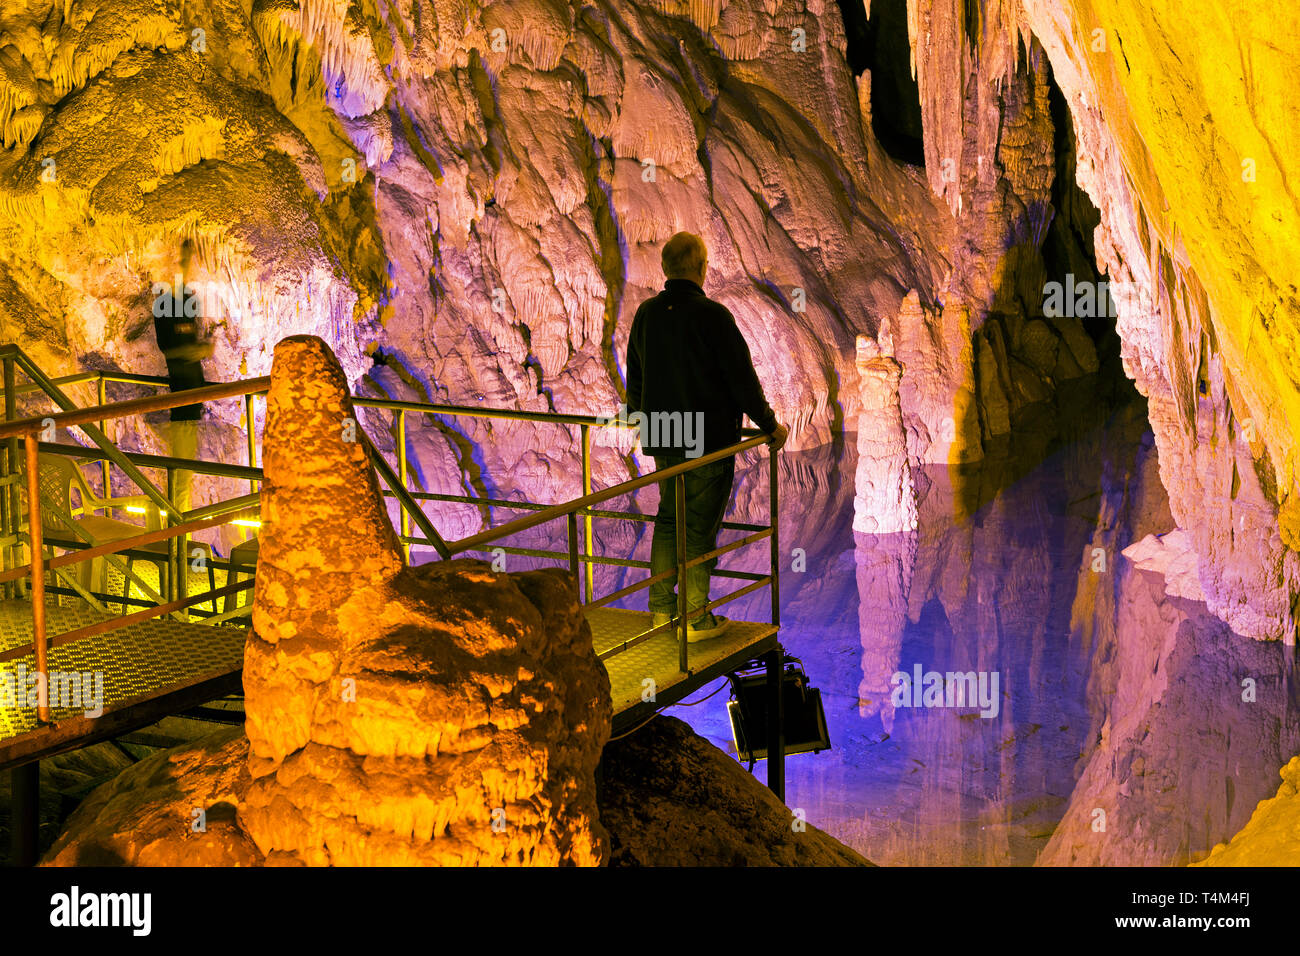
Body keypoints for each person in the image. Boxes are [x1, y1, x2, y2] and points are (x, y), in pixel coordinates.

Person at [625, 232, 788, 641]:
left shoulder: (647, 314)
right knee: (697, 526)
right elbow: (741, 381)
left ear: (665, 269)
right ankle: (696, 618)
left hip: (663, 433)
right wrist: (769, 425)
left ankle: (661, 609)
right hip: (706, 438)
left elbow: (637, 378)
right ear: (700, 269)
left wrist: (640, 419)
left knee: (667, 519)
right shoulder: (713, 316)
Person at [151, 239, 211, 516]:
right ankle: (178, 536)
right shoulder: (163, 308)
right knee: (182, 473)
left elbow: (189, 344)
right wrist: (196, 350)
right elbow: (170, 350)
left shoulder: (189, 302)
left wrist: (199, 348)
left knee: (188, 469)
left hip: (195, 399)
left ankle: (181, 530)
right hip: (182, 403)